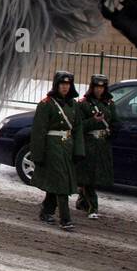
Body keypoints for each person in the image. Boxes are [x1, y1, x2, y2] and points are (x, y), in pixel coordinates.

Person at [29, 70, 84, 231]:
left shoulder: (74, 105)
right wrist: (38, 154)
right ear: (56, 85)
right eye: (62, 84)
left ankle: (46, 211)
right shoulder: (47, 104)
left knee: (59, 181)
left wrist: (78, 151)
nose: (65, 87)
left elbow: (78, 128)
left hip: (67, 147)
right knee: (62, 183)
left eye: (68, 84)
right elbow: (38, 131)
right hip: (52, 147)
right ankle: (65, 219)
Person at [75, 74, 116, 219]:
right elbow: (79, 126)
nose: (99, 90)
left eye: (102, 87)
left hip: (102, 144)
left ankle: (82, 199)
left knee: (96, 177)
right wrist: (93, 120)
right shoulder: (84, 104)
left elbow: (115, 121)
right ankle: (93, 207)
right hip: (89, 143)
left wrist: (113, 130)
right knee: (89, 177)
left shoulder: (110, 104)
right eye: (97, 87)